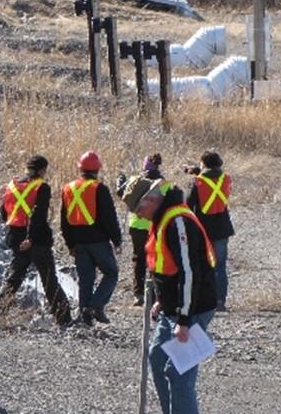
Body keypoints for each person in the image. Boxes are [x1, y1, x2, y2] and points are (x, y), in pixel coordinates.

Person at [135, 178, 217, 414]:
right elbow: (166, 267)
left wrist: (184, 319)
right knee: (157, 358)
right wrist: (162, 299)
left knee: (178, 372)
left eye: (140, 209)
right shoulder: (162, 218)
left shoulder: (178, 221)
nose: (140, 216)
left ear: (151, 200)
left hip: (194, 307)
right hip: (173, 306)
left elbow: (190, 272)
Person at [0, 155, 72, 326]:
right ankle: (64, 319)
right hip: (37, 240)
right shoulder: (42, 187)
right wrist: (31, 238)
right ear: (42, 170)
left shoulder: (11, 185)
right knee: (49, 280)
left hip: (15, 237)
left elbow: (4, 213)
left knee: (14, 278)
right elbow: (39, 216)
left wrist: (19, 234)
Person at [61, 150, 122, 325]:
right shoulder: (99, 188)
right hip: (99, 242)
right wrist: (117, 240)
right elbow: (109, 218)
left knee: (85, 280)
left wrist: (70, 244)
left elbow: (64, 221)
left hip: (79, 243)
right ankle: (95, 305)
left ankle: (84, 318)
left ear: (80, 168)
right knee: (111, 273)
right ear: (97, 169)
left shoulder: (68, 188)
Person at [187, 151, 234, 312]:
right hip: (222, 228)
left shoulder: (197, 182)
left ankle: (203, 300)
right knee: (220, 267)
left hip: (203, 229)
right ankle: (220, 301)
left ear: (203, 164)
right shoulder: (226, 179)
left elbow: (188, 204)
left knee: (202, 265)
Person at [116, 153, 163, 306]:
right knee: (155, 259)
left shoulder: (135, 180)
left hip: (136, 225)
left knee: (138, 258)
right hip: (155, 226)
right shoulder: (164, 183)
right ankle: (155, 295)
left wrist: (120, 180)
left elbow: (120, 192)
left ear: (145, 166)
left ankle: (138, 294)